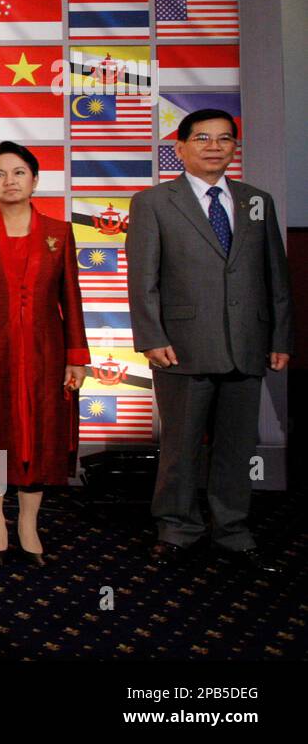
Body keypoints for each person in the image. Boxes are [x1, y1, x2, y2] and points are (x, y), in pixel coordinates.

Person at [126, 109, 292, 572]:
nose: (214, 146)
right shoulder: (154, 202)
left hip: (248, 342)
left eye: (225, 139)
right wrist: (151, 336)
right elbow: (143, 280)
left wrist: (280, 336)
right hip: (182, 345)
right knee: (181, 447)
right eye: (202, 138)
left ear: (234, 147)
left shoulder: (258, 201)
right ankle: (177, 527)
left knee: (238, 446)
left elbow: (275, 276)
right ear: (180, 147)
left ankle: (233, 528)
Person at [0, 142, 89, 566]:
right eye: (0, 174)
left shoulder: (59, 232)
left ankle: (28, 522)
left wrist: (76, 357)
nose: (10, 181)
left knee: (41, 435)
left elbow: (72, 299)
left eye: (19, 172)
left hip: (46, 353)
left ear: (35, 180)